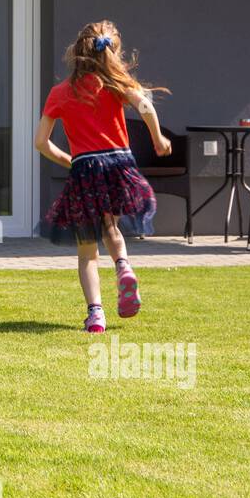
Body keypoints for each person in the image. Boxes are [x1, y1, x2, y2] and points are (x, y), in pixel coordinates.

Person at [35, 21, 171, 333]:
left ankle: (96, 314)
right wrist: (158, 139)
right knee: (110, 225)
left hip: (87, 167)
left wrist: (71, 161)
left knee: (87, 251)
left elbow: (41, 143)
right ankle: (123, 265)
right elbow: (147, 106)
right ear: (111, 51)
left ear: (77, 54)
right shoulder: (116, 85)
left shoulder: (60, 93)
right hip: (119, 163)